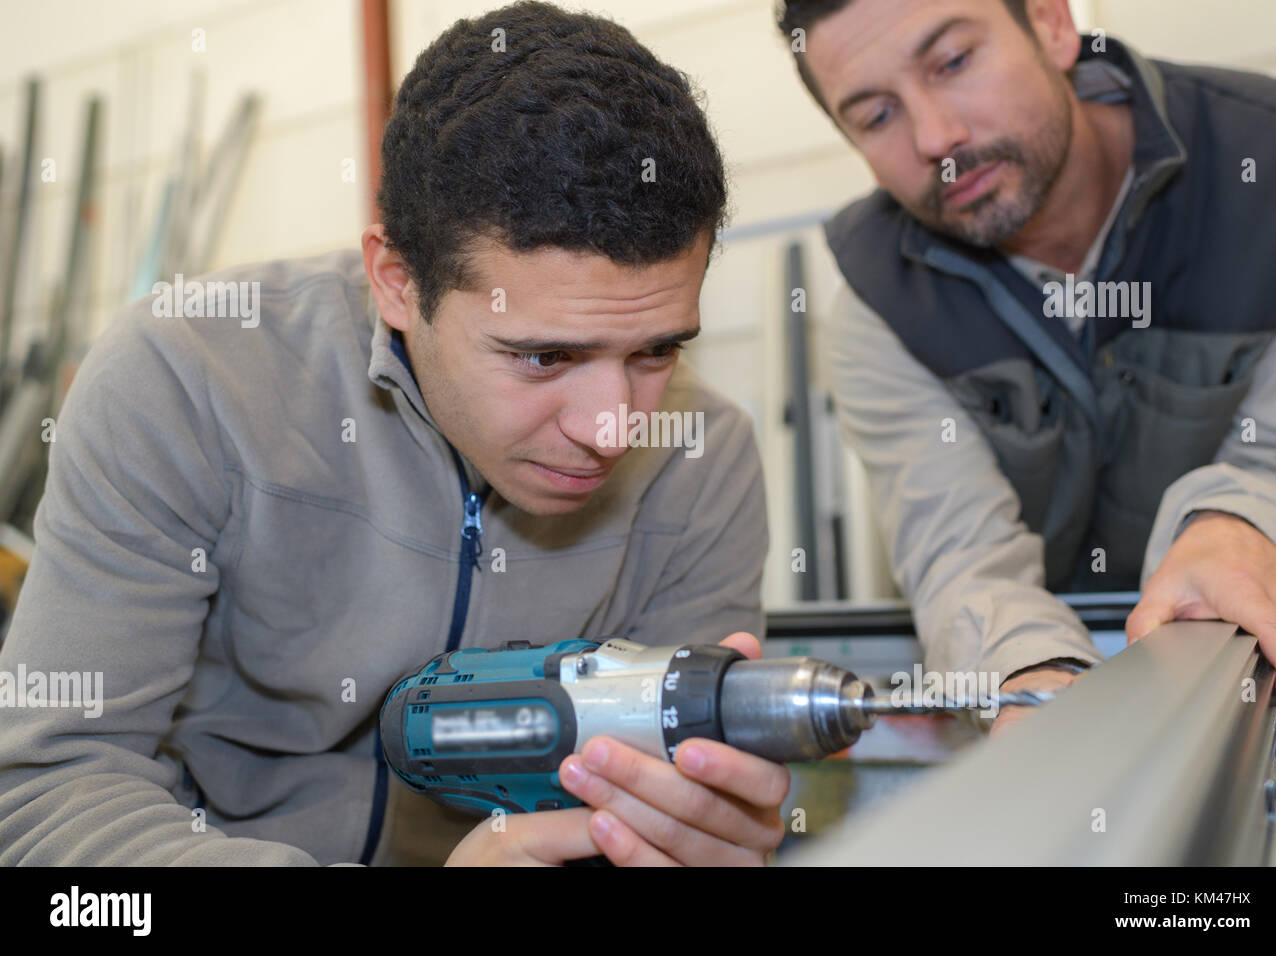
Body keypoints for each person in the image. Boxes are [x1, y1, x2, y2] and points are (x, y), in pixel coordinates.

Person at [0, 1, 787, 866]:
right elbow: (46, 797)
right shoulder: (185, 382)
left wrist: (695, 830)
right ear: (398, 281)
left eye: (657, 350)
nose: (611, 428)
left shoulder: (702, 461)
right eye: (544, 356)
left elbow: (671, 803)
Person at [776, 0, 1276, 722]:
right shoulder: (880, 311)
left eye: (953, 62)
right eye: (877, 115)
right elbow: (963, 554)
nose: (936, 138)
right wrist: (1031, 682)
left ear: (1052, 24)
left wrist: (1238, 528)